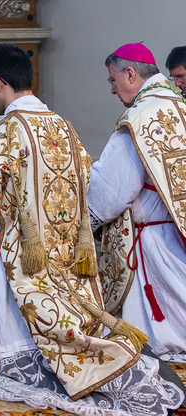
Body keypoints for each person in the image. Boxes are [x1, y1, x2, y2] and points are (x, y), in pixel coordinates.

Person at [0, 43, 184, 415]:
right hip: (67, 257)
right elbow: (87, 189)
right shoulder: (63, 127)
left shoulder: (5, 132)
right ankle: (132, 370)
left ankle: (126, 370)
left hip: (15, 259)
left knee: (18, 347)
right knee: (68, 334)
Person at [88, 43, 186, 361]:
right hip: (178, 232)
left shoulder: (140, 119)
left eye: (113, 81)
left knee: (162, 335)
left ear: (130, 74)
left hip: (155, 241)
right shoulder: (182, 107)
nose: (113, 90)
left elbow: (109, 194)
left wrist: (80, 222)